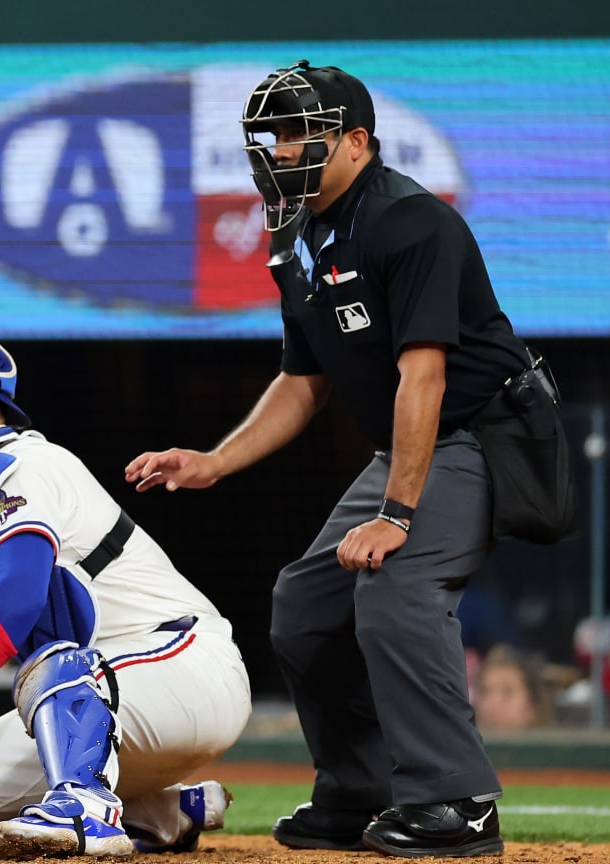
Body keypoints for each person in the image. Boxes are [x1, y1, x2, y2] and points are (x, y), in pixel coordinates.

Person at [125, 60, 535, 858]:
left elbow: (425, 376)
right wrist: (215, 461)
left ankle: (457, 803)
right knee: (308, 606)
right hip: (410, 445)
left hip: (485, 436)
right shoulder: (300, 233)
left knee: (395, 589)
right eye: (271, 135)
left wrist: (396, 515)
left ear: (356, 141)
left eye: (298, 133)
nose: (280, 149)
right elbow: (302, 380)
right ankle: (359, 791)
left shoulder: (412, 222)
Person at [0, 324, 251, 857]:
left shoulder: (20, 464)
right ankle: (162, 811)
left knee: (55, 665)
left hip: (186, 668)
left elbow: (19, 594)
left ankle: (86, 811)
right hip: (105, 698)